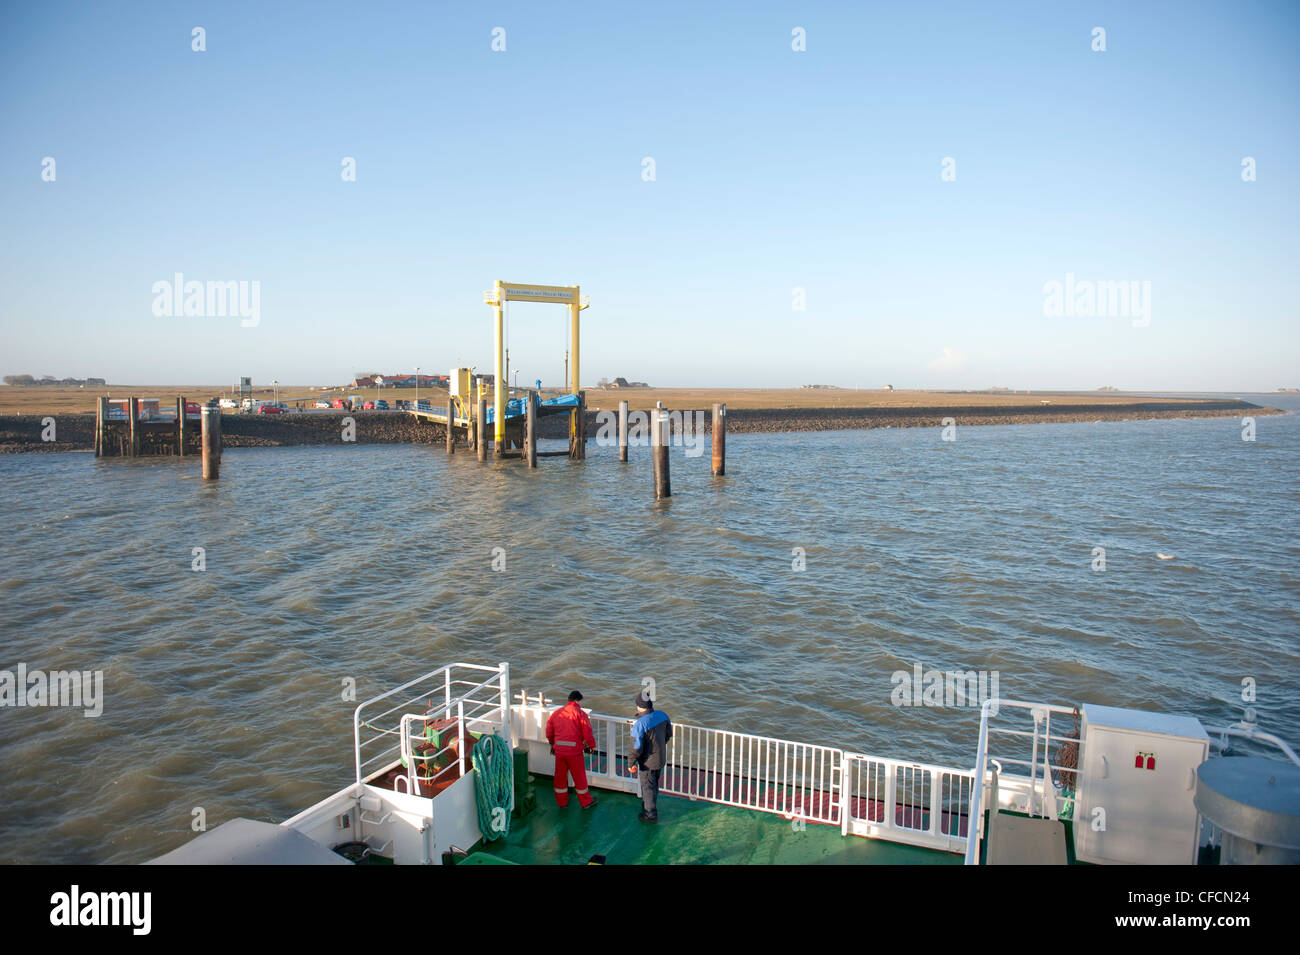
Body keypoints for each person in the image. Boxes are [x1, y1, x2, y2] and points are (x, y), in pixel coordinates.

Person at [546, 691, 598, 809]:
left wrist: (553, 744)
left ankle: (562, 802)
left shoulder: (557, 713)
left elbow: (549, 732)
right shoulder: (580, 713)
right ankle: (585, 802)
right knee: (579, 778)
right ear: (578, 701)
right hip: (574, 753)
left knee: (560, 778)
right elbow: (587, 733)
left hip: (559, 751)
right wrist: (591, 746)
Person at [628, 690, 672, 822]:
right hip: (661, 758)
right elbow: (668, 734)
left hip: (647, 763)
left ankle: (650, 814)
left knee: (647, 787)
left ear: (639, 706)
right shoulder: (663, 715)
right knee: (653, 784)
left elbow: (636, 748)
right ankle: (648, 804)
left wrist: (631, 763)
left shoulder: (639, 725)